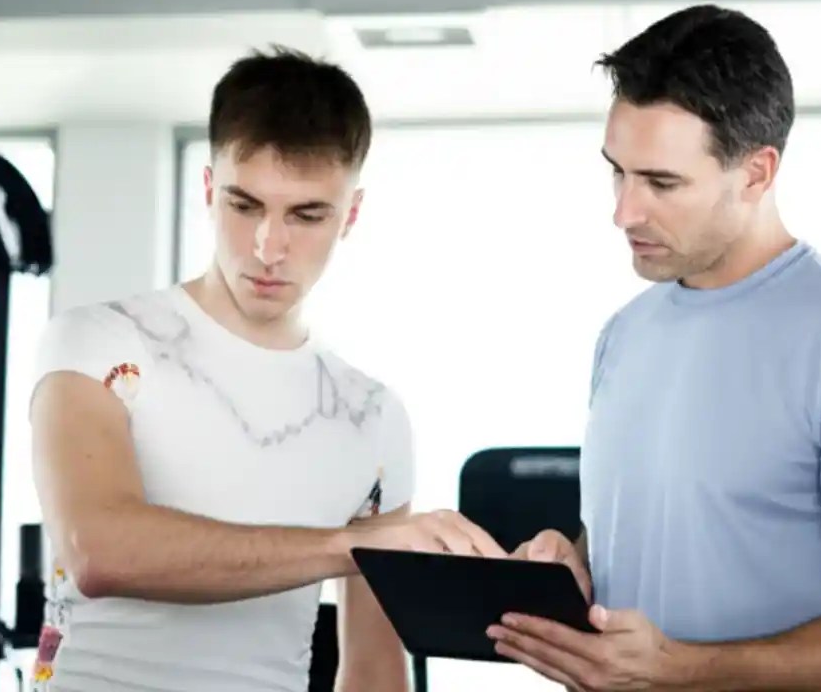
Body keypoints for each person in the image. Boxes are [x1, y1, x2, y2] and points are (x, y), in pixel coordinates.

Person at [491, 4, 821, 691]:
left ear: (757, 173)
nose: (623, 211)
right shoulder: (624, 336)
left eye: (661, 183)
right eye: (618, 171)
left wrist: (682, 671)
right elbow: (652, 564)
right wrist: (574, 570)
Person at [27, 46, 504, 692]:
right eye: (244, 205)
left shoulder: (374, 418)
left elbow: (371, 669)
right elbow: (98, 550)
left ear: (351, 216)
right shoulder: (97, 343)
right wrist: (350, 545)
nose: (268, 247)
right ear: (206, 189)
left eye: (306, 215)